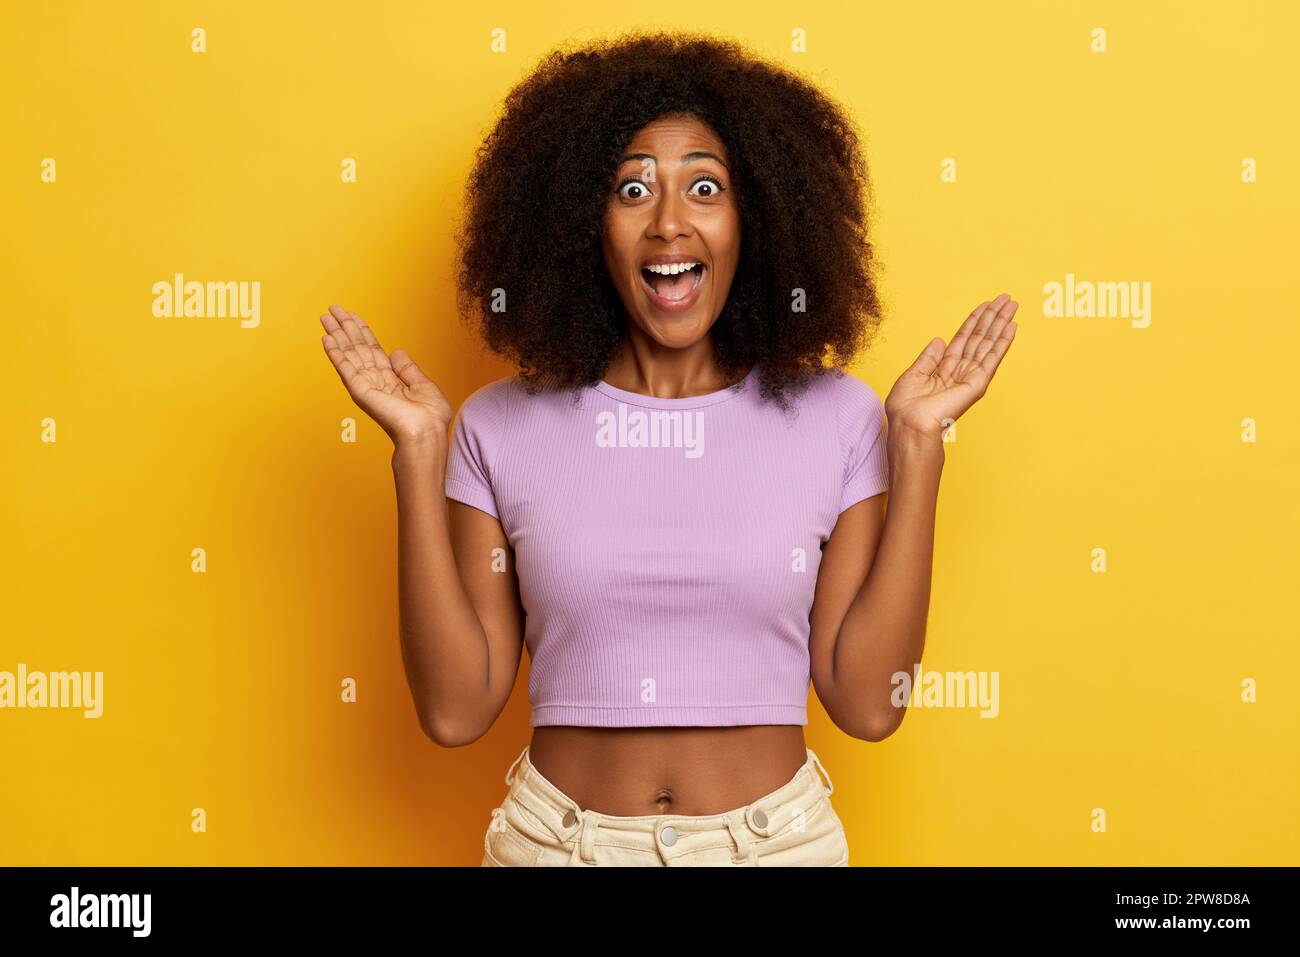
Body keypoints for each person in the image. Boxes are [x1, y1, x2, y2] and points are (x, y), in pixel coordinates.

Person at [318, 32, 1017, 866]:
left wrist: (918, 446)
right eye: (633, 188)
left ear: (756, 217)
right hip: (557, 845)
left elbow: (869, 705)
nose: (670, 221)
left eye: (705, 186)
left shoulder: (839, 420)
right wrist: (418, 454)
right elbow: (453, 711)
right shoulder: (497, 428)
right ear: (584, 223)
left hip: (775, 848)